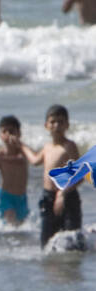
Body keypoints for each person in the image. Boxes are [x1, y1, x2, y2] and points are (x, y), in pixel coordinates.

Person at [21, 104, 83, 248]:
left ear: (67, 125)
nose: (57, 125)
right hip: (48, 197)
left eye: (61, 122)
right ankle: (52, 269)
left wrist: (62, 193)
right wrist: (21, 146)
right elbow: (35, 160)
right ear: (46, 125)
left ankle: (70, 270)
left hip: (67, 197)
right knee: (46, 243)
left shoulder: (69, 146)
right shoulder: (47, 147)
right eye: (53, 122)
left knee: (72, 243)